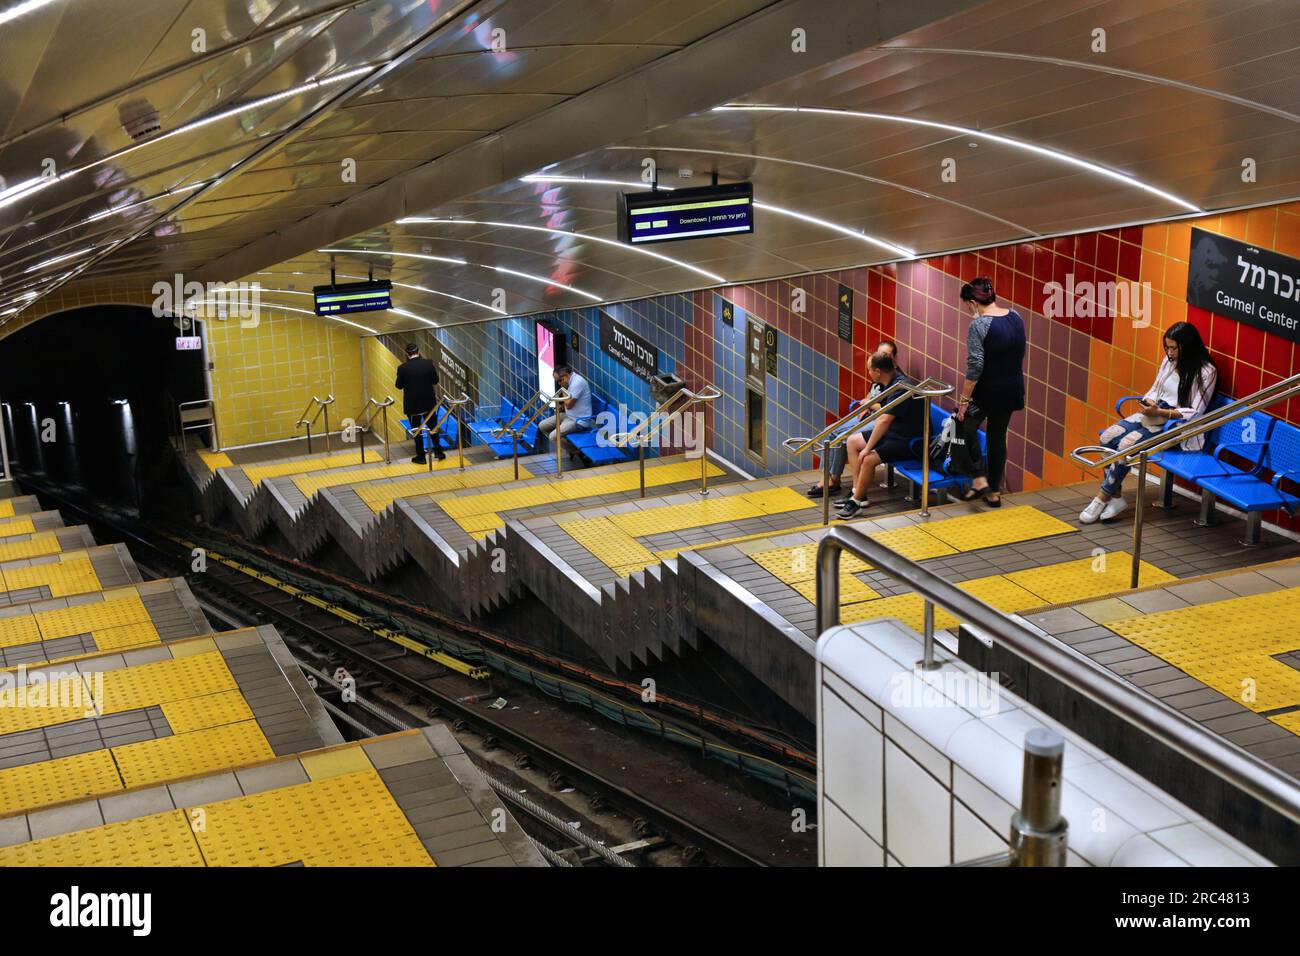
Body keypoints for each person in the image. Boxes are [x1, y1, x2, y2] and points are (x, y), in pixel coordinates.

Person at [1080, 321, 1217, 523]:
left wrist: (1162, 412)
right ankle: (1116, 498)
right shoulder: (1169, 361)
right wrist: (1149, 402)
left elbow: (1196, 411)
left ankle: (1103, 497)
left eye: (1173, 348)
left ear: (1187, 346)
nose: (1169, 353)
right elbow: (1155, 388)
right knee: (1108, 438)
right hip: (1155, 412)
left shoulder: (1206, 372)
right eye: (1167, 347)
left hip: (1176, 424)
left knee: (1127, 445)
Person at [949, 277, 1025, 508]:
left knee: (959, 429)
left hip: (987, 392)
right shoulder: (1016, 317)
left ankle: (979, 479)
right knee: (997, 439)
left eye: (967, 305)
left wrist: (963, 401)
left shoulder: (979, 325)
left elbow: (975, 366)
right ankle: (994, 492)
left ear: (973, 302)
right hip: (1012, 390)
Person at [836, 352, 924, 519]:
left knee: (868, 458)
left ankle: (855, 503)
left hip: (906, 439)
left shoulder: (901, 387)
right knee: (852, 441)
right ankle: (859, 493)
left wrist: (867, 449)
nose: (868, 373)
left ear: (878, 371)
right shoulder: (889, 382)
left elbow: (884, 419)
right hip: (893, 432)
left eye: (869, 370)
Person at [808, 340, 900, 498]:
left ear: (894, 358)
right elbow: (872, 393)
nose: (883, 357)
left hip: (879, 419)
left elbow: (888, 409)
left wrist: (870, 405)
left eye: (887, 354)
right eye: (881, 354)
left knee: (845, 438)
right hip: (869, 413)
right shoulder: (879, 373)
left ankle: (851, 488)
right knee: (829, 432)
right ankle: (829, 478)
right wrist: (865, 405)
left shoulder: (892, 378)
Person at [395, 342, 444, 463]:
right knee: (433, 427)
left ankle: (421, 457)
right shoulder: (428, 363)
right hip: (429, 403)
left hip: (413, 406)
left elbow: (398, 386)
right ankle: (438, 452)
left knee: (417, 430)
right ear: (419, 352)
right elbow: (435, 380)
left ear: (406, 354)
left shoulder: (403, 368)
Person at [538, 365, 593, 447]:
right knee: (542, 426)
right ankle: (569, 445)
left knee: (553, 437)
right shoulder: (570, 382)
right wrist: (562, 406)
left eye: (560, 381)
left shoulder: (577, 383)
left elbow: (569, 405)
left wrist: (564, 388)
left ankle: (575, 451)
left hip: (578, 421)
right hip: (568, 415)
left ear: (566, 375)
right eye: (558, 382)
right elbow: (568, 404)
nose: (560, 384)